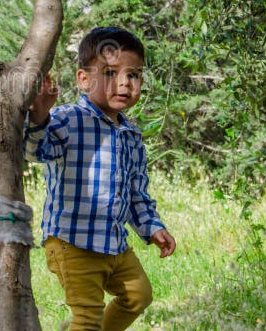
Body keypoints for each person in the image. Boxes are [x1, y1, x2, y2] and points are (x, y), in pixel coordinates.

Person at [24, 26, 176, 331]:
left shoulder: (131, 134)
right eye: (109, 73)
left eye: (133, 75)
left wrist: (153, 227)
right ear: (84, 79)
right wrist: (40, 115)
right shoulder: (68, 120)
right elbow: (35, 151)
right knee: (86, 317)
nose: (123, 83)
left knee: (138, 295)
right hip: (72, 243)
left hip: (114, 244)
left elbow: (137, 194)